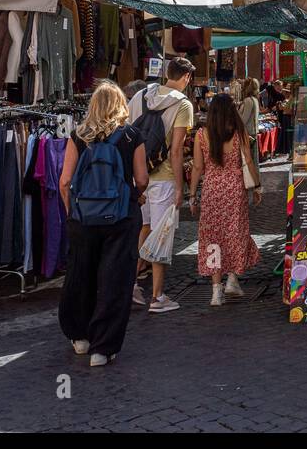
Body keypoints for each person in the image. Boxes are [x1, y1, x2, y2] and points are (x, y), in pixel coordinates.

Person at [57, 81, 148, 367]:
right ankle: (103, 348)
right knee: (115, 280)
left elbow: (65, 181)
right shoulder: (132, 135)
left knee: (80, 275)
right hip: (120, 217)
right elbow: (142, 179)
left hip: (83, 218)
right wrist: (135, 196)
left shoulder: (78, 136)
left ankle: (79, 336)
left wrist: (72, 210)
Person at [128, 56, 196, 314]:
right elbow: (176, 151)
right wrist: (182, 188)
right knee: (162, 235)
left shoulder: (140, 96)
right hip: (164, 178)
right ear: (186, 77)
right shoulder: (183, 105)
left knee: (142, 231)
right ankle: (157, 296)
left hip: (138, 177)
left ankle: (130, 285)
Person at [188, 94, 262, 306]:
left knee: (213, 237)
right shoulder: (239, 133)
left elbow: (197, 167)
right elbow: (248, 161)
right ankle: (232, 278)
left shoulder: (202, 135)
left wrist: (192, 196)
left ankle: (216, 291)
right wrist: (257, 186)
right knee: (235, 233)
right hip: (235, 190)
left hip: (212, 191)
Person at [238, 77, 262, 170]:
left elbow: (243, 120)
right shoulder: (254, 100)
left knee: (248, 163)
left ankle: (252, 182)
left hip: (248, 135)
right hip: (252, 134)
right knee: (252, 163)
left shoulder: (248, 100)